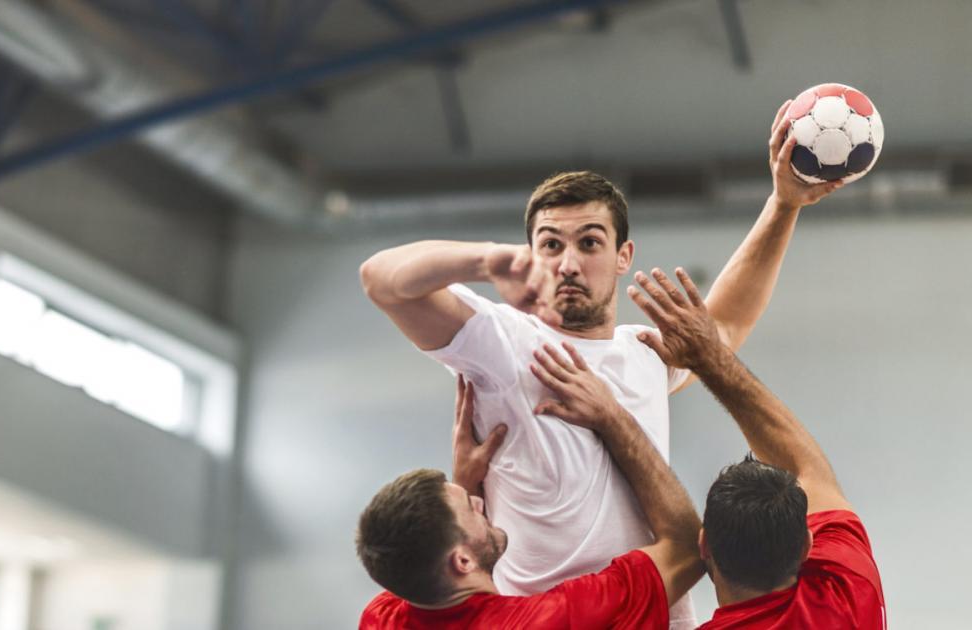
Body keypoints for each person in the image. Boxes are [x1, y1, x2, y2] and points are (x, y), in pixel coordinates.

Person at [359, 101, 844, 628]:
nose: (568, 263)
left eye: (589, 242)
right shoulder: (503, 341)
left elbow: (723, 328)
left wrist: (783, 205)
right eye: (550, 245)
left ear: (623, 257)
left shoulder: (643, 352)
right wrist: (485, 260)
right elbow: (382, 282)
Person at [622, 266, 885, 629]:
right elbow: (806, 466)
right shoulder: (848, 591)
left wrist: (615, 420)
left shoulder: (847, 586)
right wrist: (708, 357)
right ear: (807, 546)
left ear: (704, 547)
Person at [357, 370, 703, 628]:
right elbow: (687, 549)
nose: (479, 502)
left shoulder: (380, 617)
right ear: (462, 561)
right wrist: (613, 419)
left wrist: (465, 482)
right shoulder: (551, 620)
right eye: (470, 508)